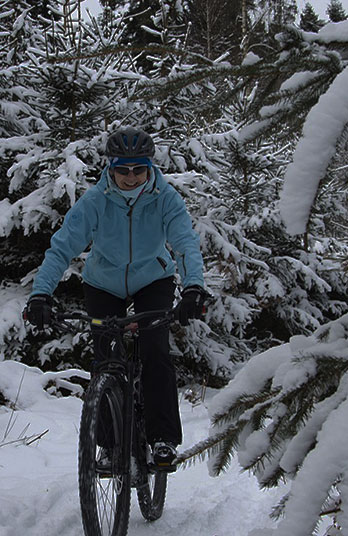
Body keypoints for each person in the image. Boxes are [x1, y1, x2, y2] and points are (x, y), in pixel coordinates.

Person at [24, 126, 209, 470]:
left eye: (138, 169)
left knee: (155, 350)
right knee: (106, 359)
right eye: (122, 170)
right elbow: (62, 247)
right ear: (110, 168)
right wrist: (40, 293)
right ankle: (109, 447)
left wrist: (194, 286)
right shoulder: (95, 201)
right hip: (103, 283)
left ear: (149, 167)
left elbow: (184, 242)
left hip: (153, 279)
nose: (130, 177)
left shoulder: (165, 198)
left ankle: (163, 439)